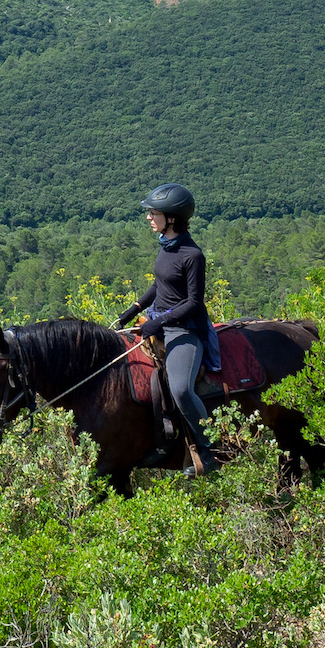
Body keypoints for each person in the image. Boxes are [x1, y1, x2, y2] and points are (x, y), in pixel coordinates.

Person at [116, 183, 215, 473]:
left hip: (184, 329)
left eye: (153, 213)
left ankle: (209, 450)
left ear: (171, 218)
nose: (149, 218)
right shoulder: (166, 247)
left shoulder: (192, 255)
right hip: (159, 322)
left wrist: (159, 321)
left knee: (182, 389)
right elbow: (160, 284)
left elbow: (194, 303)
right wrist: (134, 309)